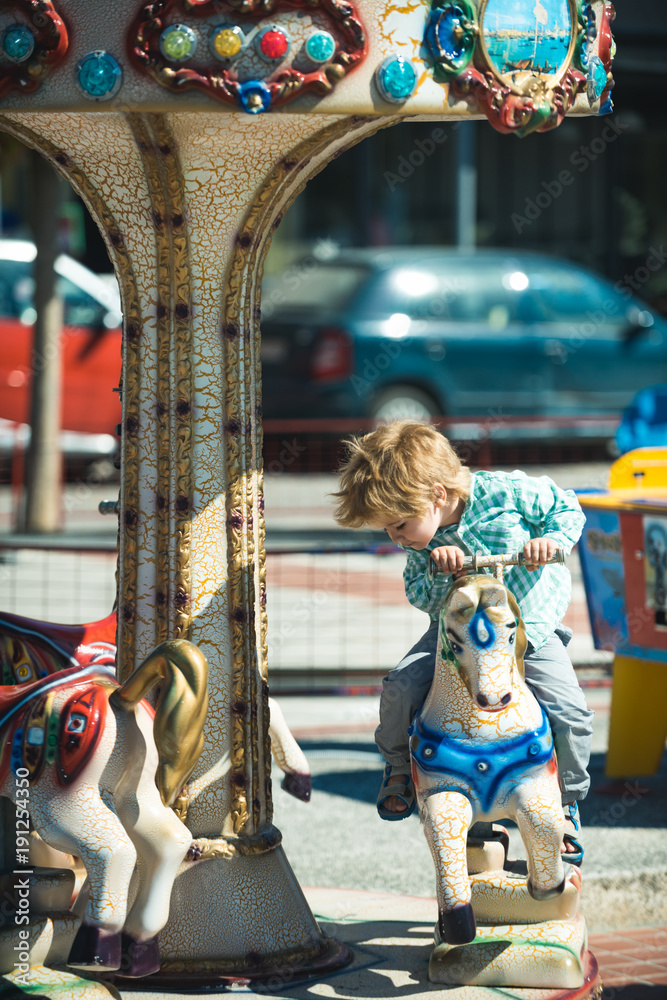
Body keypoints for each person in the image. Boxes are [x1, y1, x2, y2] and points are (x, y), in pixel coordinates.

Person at [332, 421, 593, 863]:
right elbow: (418, 592)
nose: (396, 537)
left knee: (569, 710)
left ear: (437, 494)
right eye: (389, 531)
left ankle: (565, 802)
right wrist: (444, 575)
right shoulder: (422, 541)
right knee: (401, 684)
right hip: (457, 637)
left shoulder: (507, 493)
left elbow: (566, 508)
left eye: (398, 525)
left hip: (529, 627)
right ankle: (398, 768)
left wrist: (551, 539)